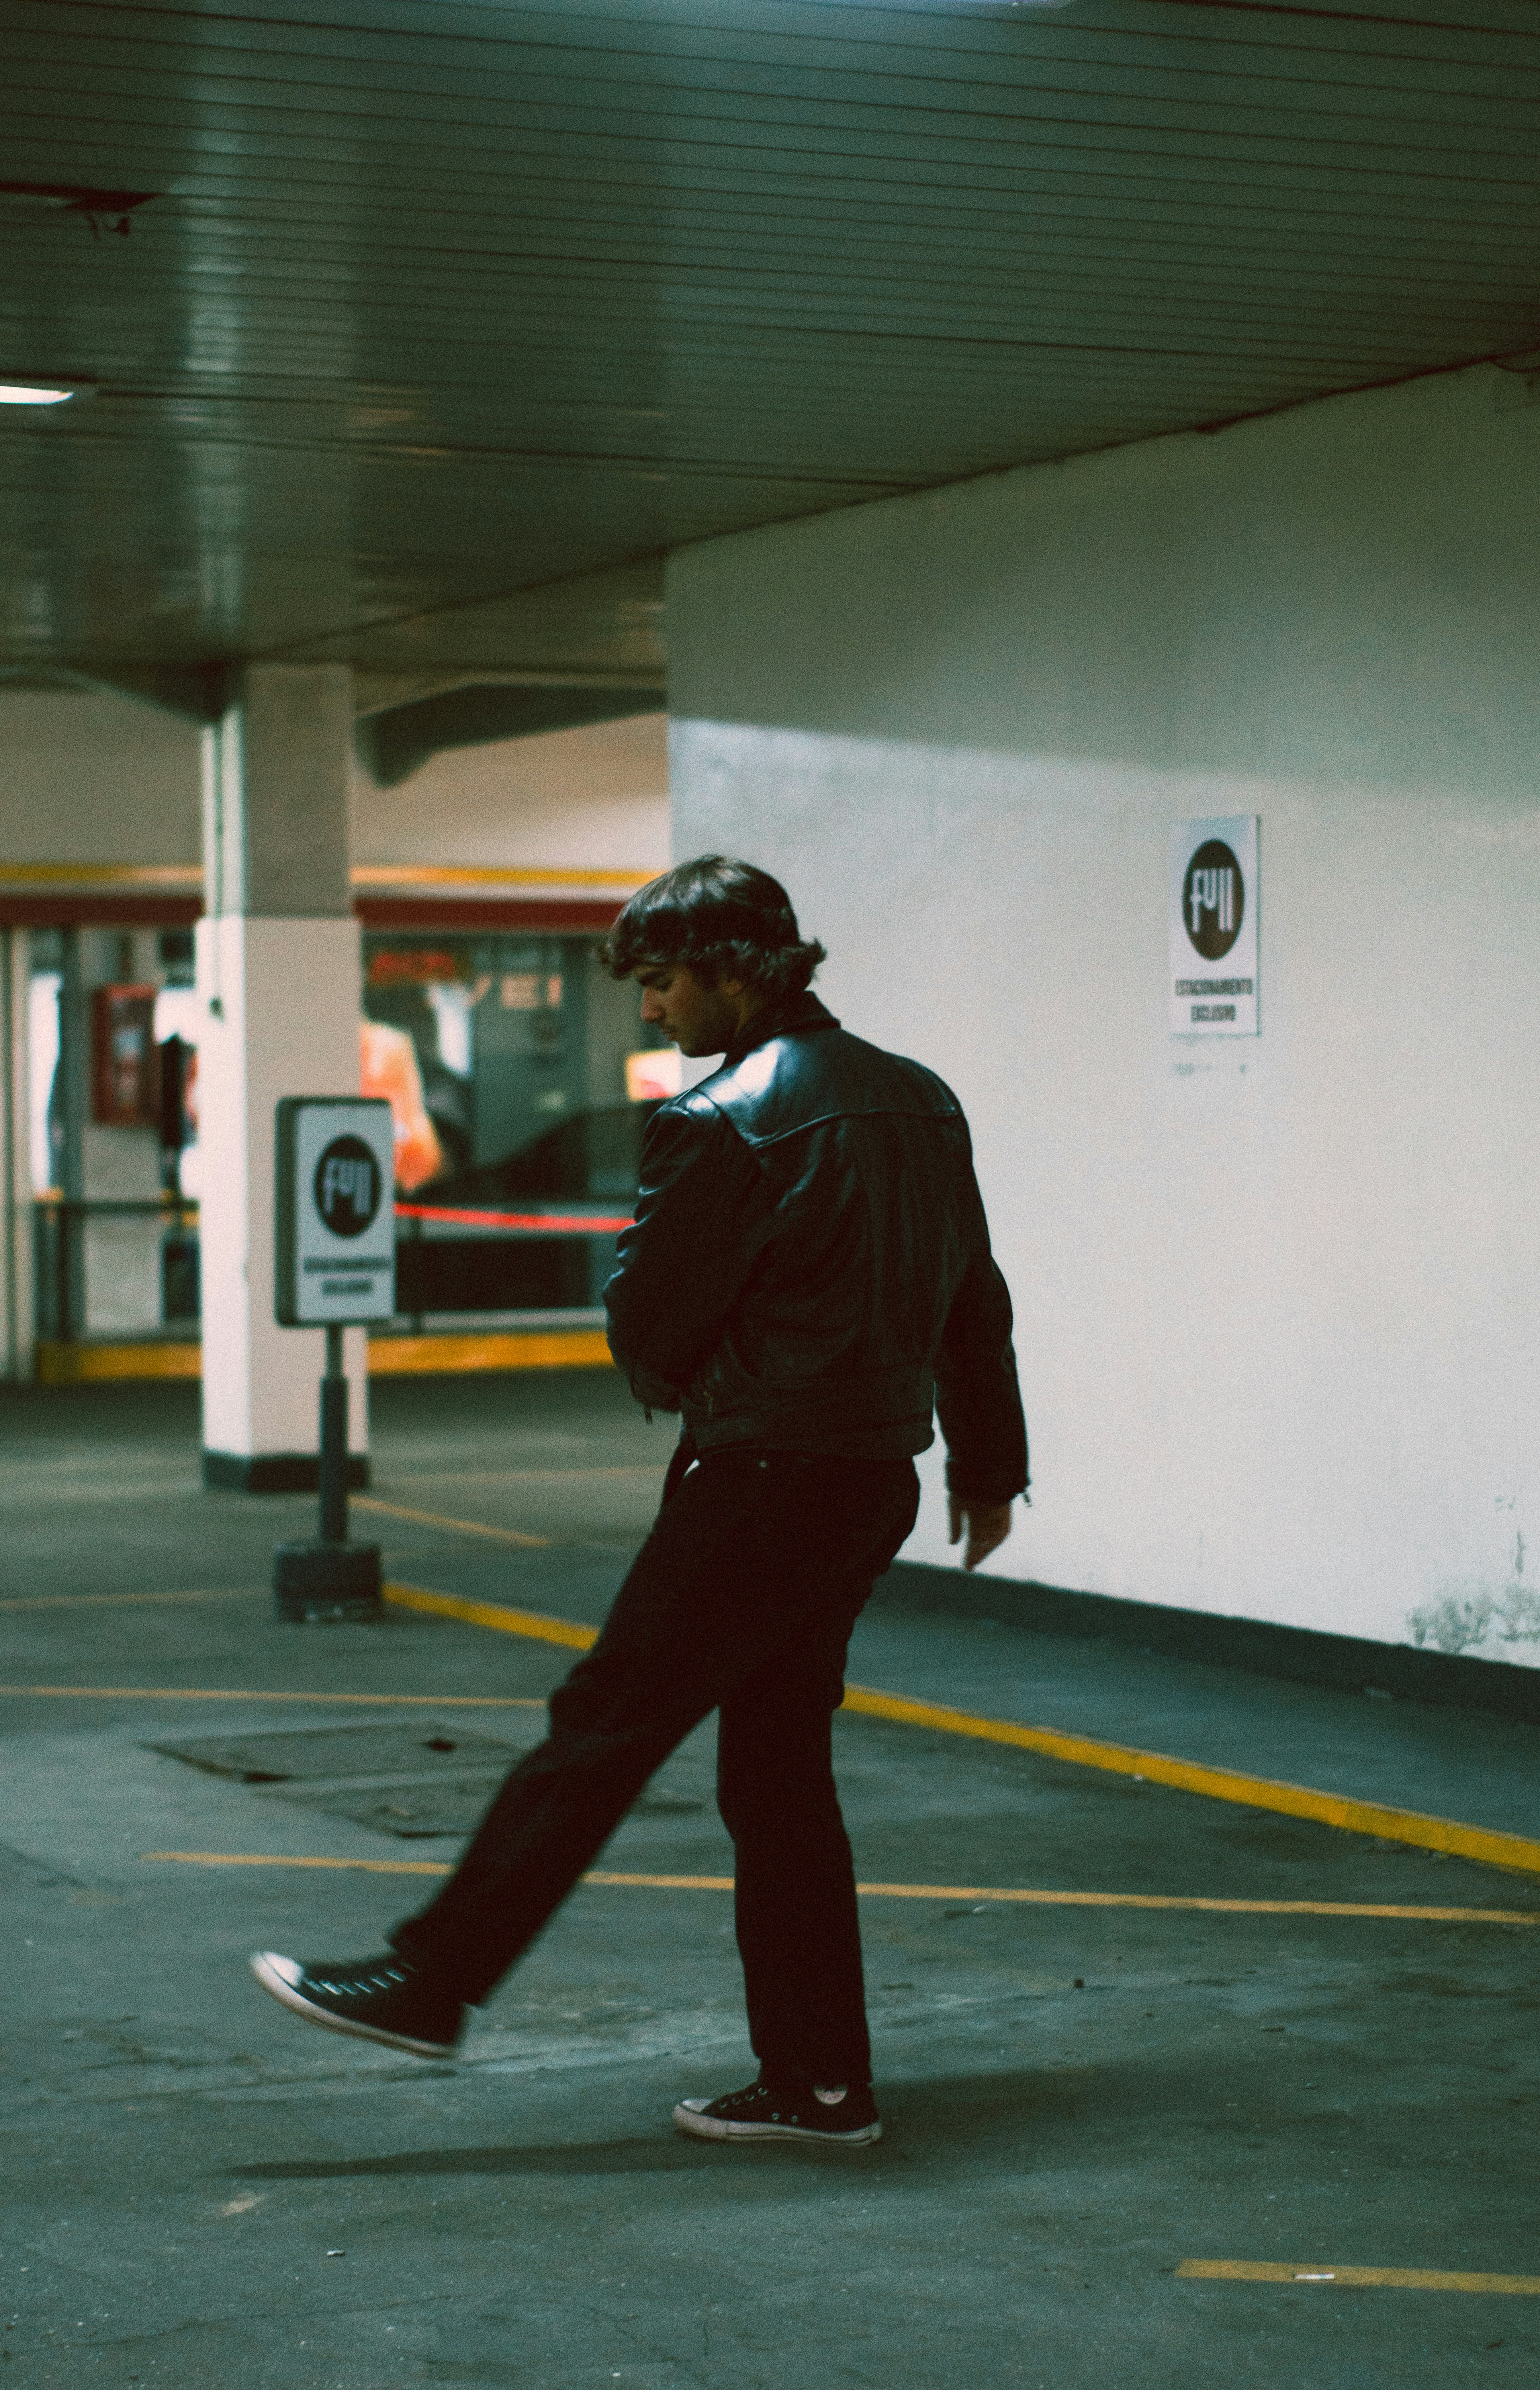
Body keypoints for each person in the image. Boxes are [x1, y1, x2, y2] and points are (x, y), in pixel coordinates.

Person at [250, 856, 1028, 2146]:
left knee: (601, 1728)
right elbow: (974, 1300)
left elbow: (649, 1324)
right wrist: (988, 1467)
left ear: (733, 969)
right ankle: (822, 2083)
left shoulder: (721, 1119)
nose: (652, 1012)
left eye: (662, 984)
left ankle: (433, 1984)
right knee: (779, 1779)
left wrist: (674, 1357)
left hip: (759, 1479)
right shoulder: (920, 1102)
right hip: (867, 1484)